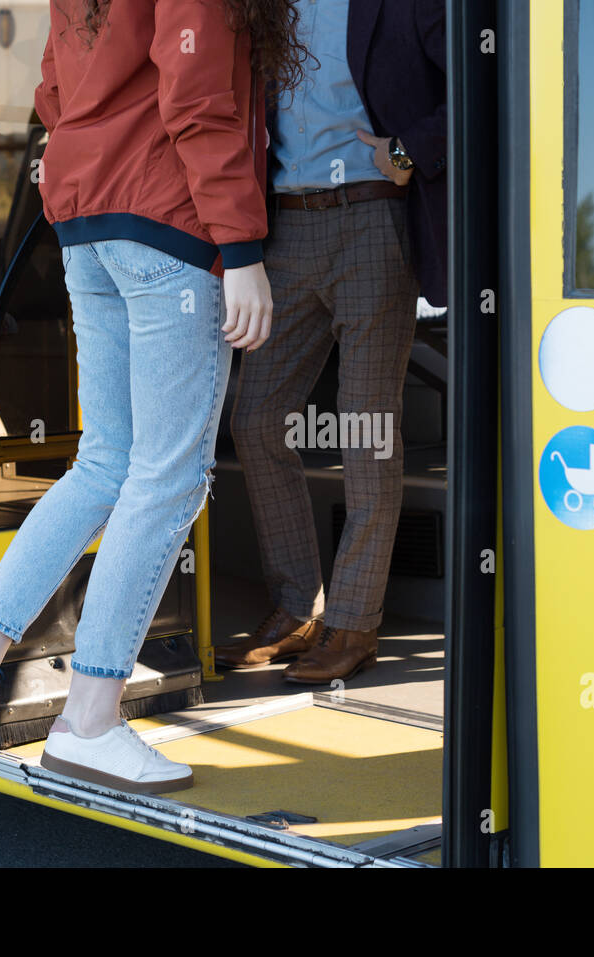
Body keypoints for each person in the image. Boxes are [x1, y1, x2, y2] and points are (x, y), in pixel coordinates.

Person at [0, 0, 308, 803]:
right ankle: (89, 718)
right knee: (170, 475)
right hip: (166, 222)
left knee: (105, 464)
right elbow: (197, 97)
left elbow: (54, 90)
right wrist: (241, 248)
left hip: (88, 223)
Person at [217, 0, 447, 683]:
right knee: (256, 419)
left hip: (373, 219)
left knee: (367, 428)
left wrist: (410, 150)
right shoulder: (264, 7)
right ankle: (297, 609)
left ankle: (354, 622)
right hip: (283, 230)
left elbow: (480, 76)